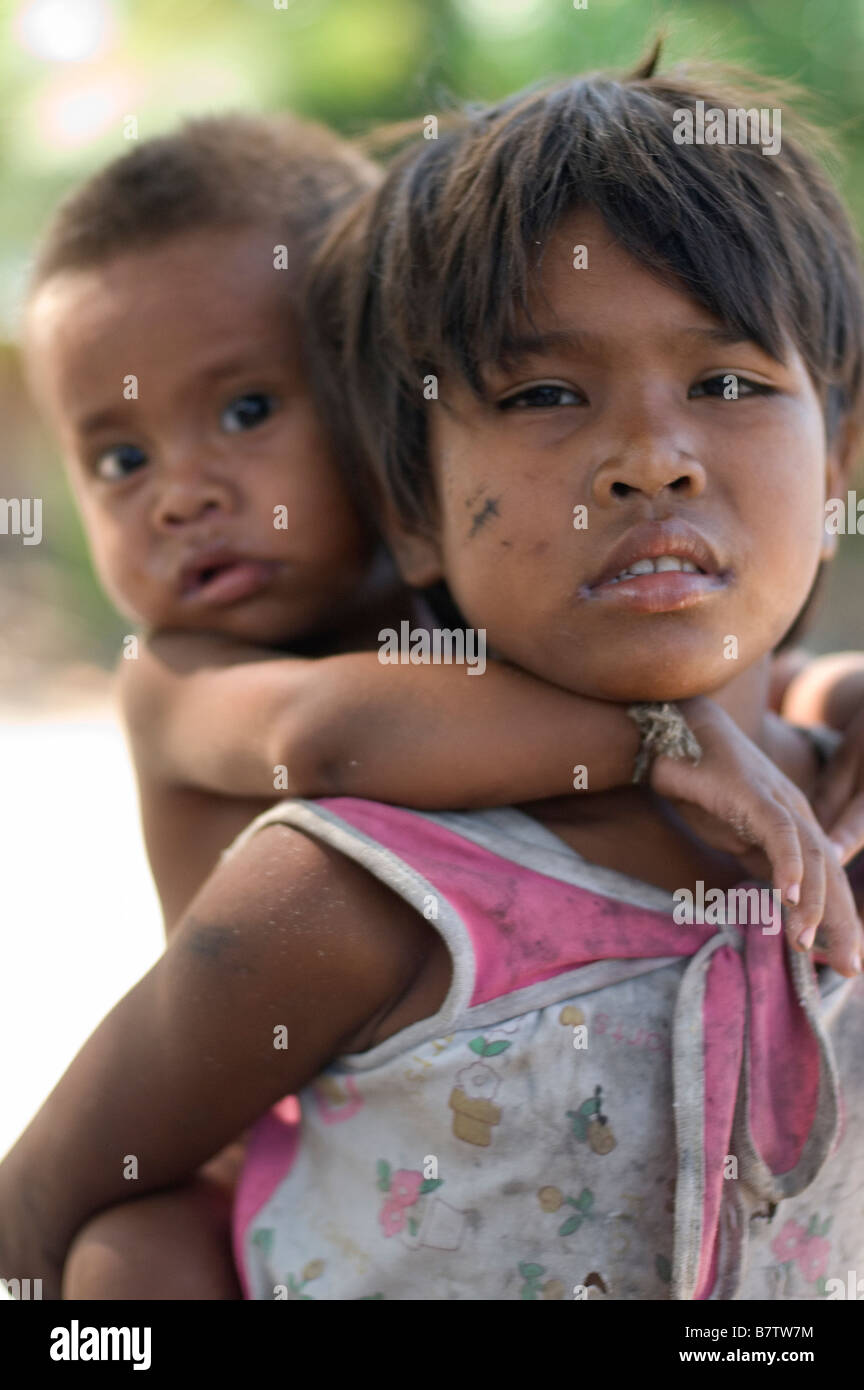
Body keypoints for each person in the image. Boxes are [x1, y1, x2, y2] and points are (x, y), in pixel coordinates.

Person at [5, 54, 864, 1299]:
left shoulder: (820, 795)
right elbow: (331, 731)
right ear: (407, 498)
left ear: (840, 461)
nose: (650, 459)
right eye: (547, 393)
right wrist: (664, 741)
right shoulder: (335, 858)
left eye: (725, 382)